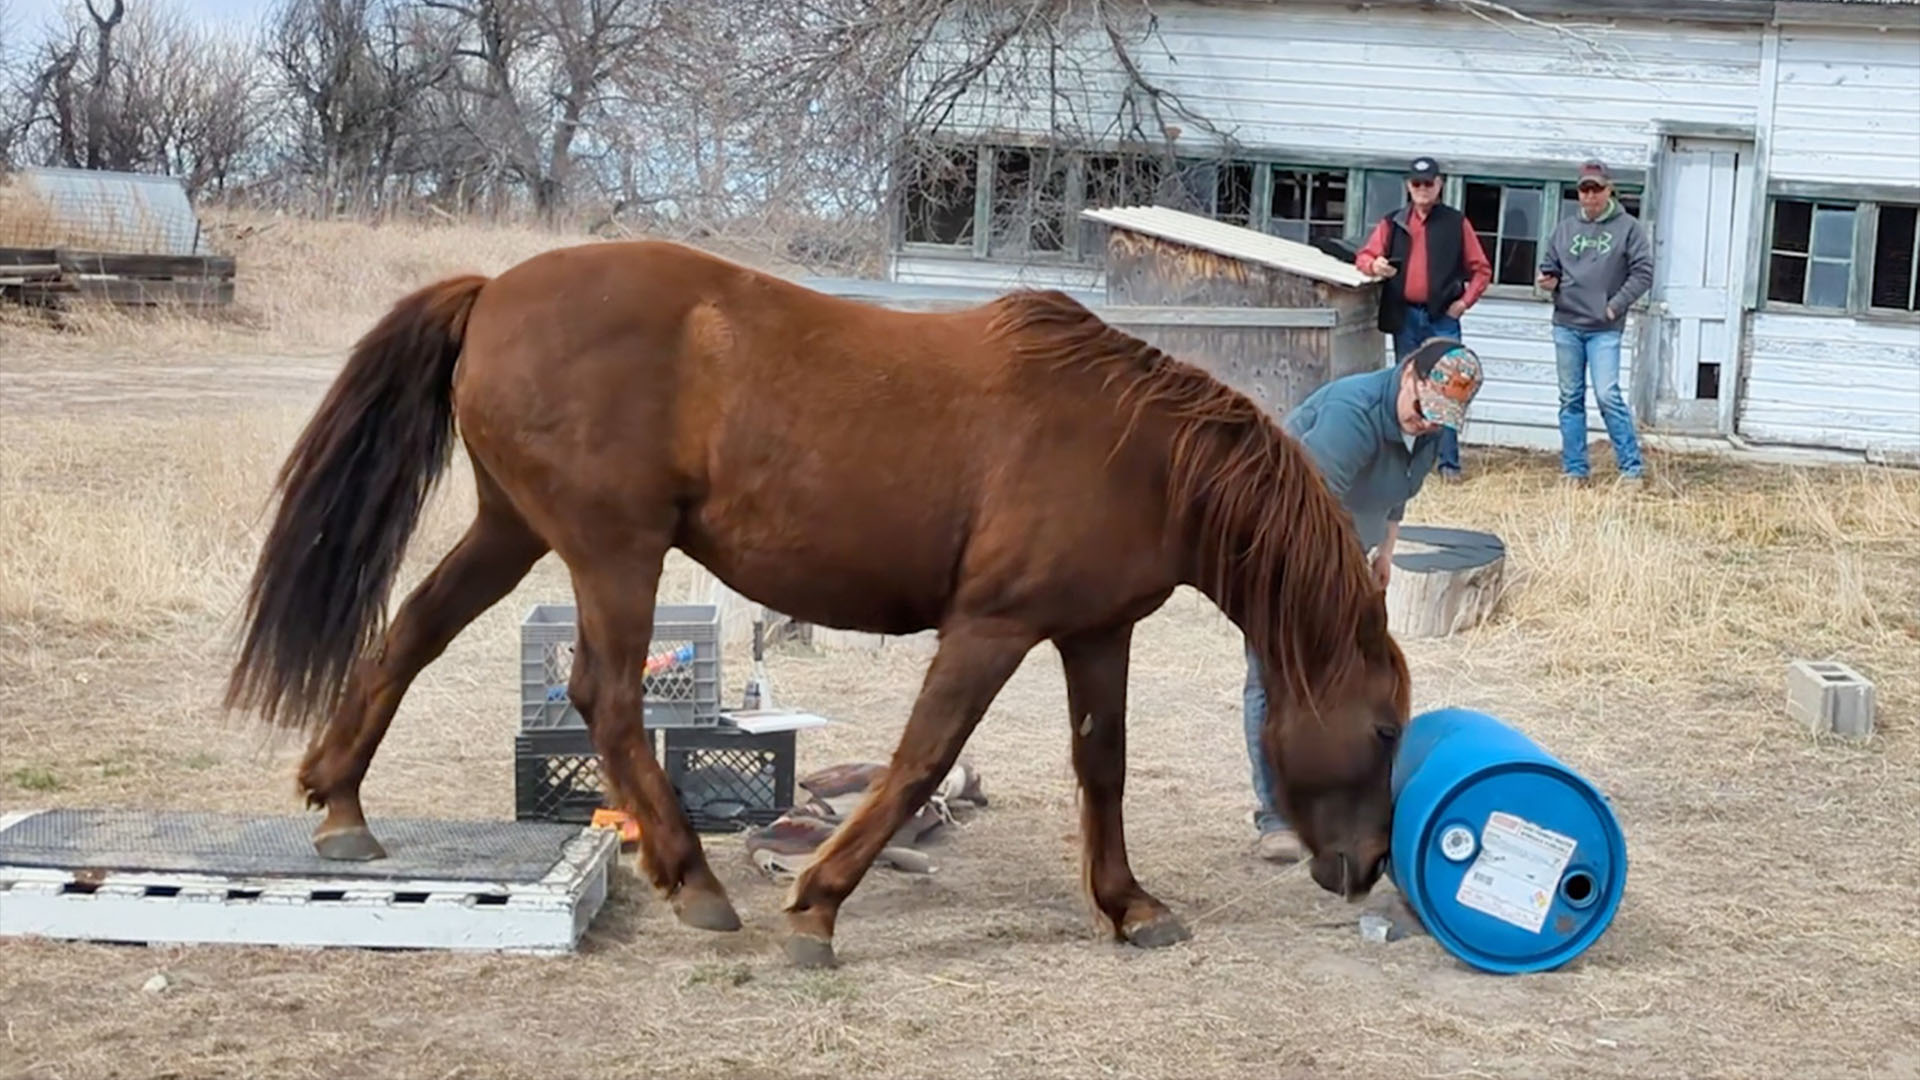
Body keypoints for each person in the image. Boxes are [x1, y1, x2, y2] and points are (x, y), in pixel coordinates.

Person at [1243, 338, 1485, 862]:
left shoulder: (1423, 429)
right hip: (1280, 542)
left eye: (1442, 419)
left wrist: (1384, 553)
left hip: (1345, 551)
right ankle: (1275, 816)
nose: (1428, 423)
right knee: (1276, 676)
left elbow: (1397, 491)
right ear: (1408, 376)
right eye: (1424, 408)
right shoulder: (1351, 416)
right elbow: (1307, 506)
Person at [1355, 155, 1493, 484]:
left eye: (1428, 183)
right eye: (1416, 184)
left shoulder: (1456, 222)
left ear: (1440, 185)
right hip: (1404, 317)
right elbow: (1363, 256)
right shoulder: (1393, 222)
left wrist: (1463, 303)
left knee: (1449, 389)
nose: (1422, 189)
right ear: (1408, 186)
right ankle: (1408, 462)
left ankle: (1448, 464)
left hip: (1442, 318)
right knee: (1408, 388)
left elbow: (1482, 270)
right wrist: (1375, 266)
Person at [1536, 159, 1653, 487]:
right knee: (1570, 399)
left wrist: (1615, 306)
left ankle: (1631, 468)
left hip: (1604, 328)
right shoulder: (1564, 229)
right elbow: (1550, 266)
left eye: (1596, 189)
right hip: (1567, 324)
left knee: (1607, 395)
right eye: (1584, 189)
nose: (1590, 196)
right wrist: (1548, 282)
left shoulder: (1628, 228)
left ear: (1609, 189)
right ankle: (1575, 470)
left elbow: (1643, 272)